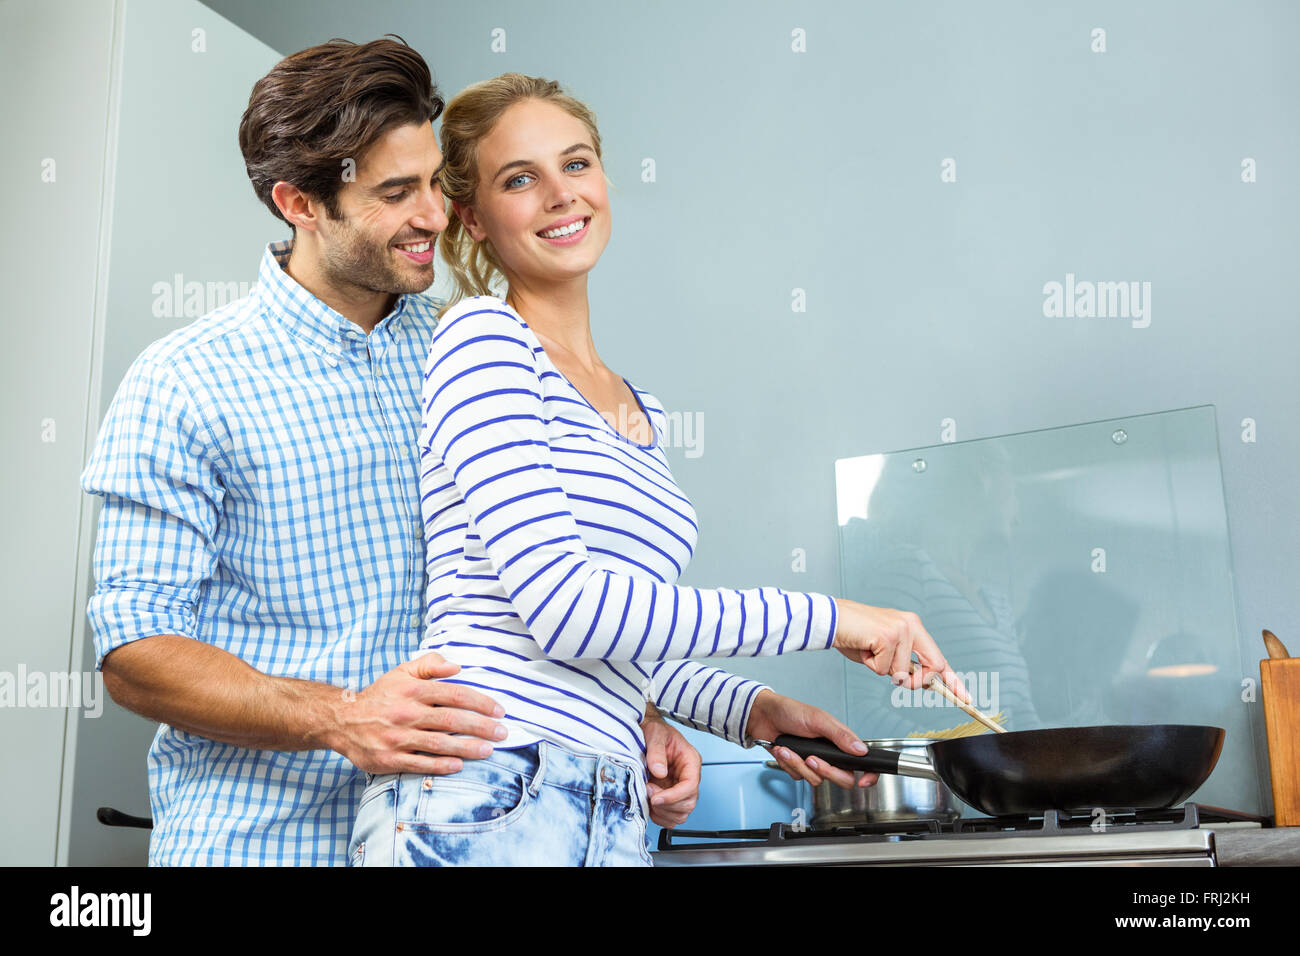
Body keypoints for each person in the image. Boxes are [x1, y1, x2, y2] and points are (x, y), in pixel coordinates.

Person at [78, 38, 881, 867]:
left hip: (469, 812)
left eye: (434, 181)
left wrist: (697, 711)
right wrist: (341, 714)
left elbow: (531, 607)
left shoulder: (466, 347)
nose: (433, 214)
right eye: (396, 193)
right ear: (299, 202)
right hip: (264, 842)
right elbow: (138, 654)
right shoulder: (185, 381)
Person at [347, 73, 966, 867]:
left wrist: (753, 709)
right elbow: (567, 610)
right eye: (519, 179)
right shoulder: (483, 341)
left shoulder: (638, 407)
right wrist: (833, 617)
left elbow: (618, 639)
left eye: (576, 164)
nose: (560, 197)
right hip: (488, 790)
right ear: (471, 216)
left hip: (606, 801)